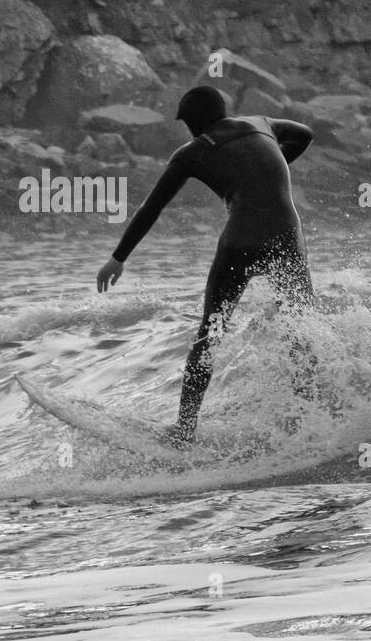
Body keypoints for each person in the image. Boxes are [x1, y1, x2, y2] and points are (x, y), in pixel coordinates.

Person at [96, 85, 316, 447]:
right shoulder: (262, 123)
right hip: (287, 237)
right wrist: (269, 171)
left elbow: (153, 206)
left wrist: (118, 257)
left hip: (241, 241)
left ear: (194, 122)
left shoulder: (193, 152)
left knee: (209, 335)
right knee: (300, 326)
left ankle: (184, 431)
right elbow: (304, 134)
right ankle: (309, 419)